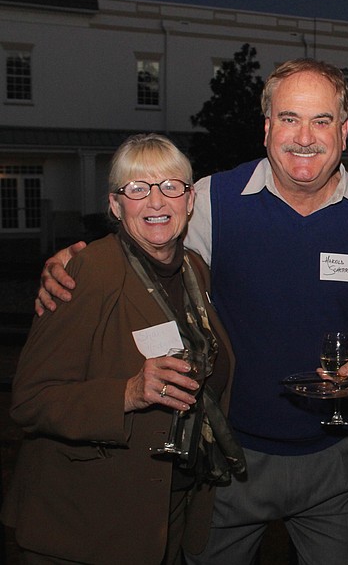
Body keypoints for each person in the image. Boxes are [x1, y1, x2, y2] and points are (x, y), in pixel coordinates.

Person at [35, 58, 348, 564]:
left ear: (344, 132)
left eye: (322, 120)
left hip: (338, 462)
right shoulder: (212, 201)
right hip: (227, 458)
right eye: (289, 118)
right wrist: (80, 261)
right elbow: (149, 251)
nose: (304, 137)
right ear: (267, 128)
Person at [2, 134, 239, 564]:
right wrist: (127, 393)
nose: (155, 201)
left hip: (165, 514)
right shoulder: (88, 271)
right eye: (137, 188)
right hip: (87, 526)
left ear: (189, 201)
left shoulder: (195, 270)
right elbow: (30, 401)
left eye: (170, 186)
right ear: (115, 205)